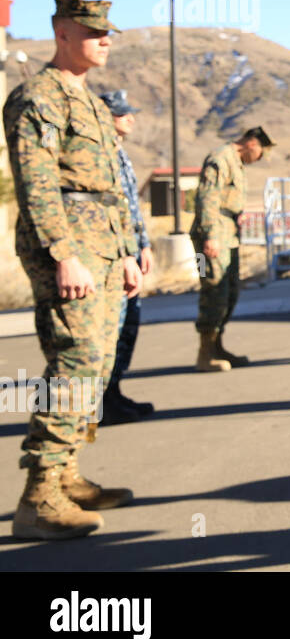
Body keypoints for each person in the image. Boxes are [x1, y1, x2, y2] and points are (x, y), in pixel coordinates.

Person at [3, 0, 142, 540]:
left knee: (98, 364)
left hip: (103, 248)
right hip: (70, 250)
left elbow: (110, 187)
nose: (106, 40)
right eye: (93, 32)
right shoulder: (38, 96)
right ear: (62, 34)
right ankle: (37, 498)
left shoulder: (88, 101)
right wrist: (63, 254)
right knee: (75, 363)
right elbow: (37, 183)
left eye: (108, 32)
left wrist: (128, 250)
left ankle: (66, 477)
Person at [190, 126, 274, 371]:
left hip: (228, 234)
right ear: (252, 144)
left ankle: (217, 346)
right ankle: (204, 355)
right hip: (209, 238)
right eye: (260, 154)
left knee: (229, 292)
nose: (258, 160)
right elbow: (206, 198)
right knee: (213, 290)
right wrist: (210, 236)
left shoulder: (235, 162)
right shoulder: (220, 159)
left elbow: (225, 199)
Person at [99, 89, 156, 424]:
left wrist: (143, 244)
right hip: (113, 254)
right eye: (123, 113)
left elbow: (132, 207)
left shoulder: (121, 153)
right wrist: (123, 254)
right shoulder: (100, 153)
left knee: (127, 328)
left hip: (130, 250)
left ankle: (114, 392)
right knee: (110, 331)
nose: (130, 118)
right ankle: (102, 401)